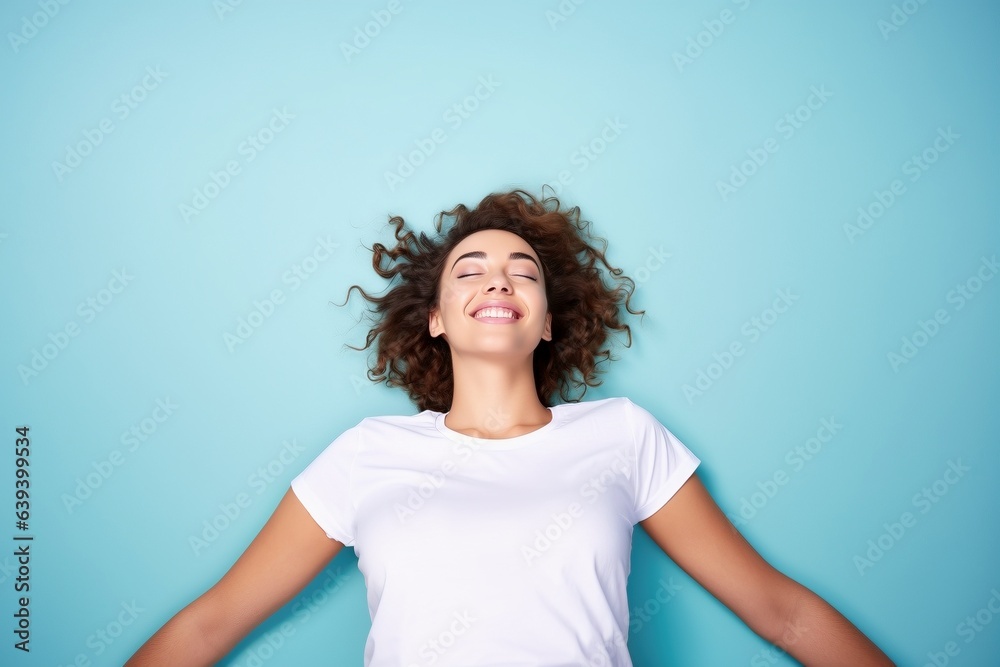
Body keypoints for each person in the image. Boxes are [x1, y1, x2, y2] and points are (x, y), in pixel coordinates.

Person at [125, 189, 895, 666]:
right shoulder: (367, 454)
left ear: (550, 320)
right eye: (471, 269)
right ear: (432, 320)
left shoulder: (623, 435)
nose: (498, 277)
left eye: (523, 270)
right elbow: (211, 623)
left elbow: (780, 609)